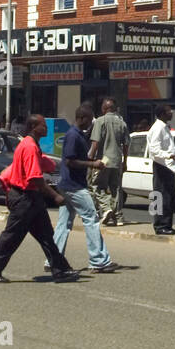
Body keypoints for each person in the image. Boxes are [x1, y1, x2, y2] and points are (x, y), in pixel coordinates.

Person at [0, 116, 78, 283]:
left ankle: (60, 269)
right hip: (23, 198)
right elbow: (35, 178)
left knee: (47, 236)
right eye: (43, 125)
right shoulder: (29, 146)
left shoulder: (32, 144)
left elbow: (41, 164)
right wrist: (55, 195)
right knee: (11, 237)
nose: (46, 128)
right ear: (34, 127)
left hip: (32, 198)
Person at [51, 104, 117, 273]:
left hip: (69, 184)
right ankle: (99, 260)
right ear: (82, 118)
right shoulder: (73, 135)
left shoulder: (79, 135)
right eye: (89, 119)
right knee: (91, 218)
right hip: (74, 186)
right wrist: (93, 164)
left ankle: (53, 258)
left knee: (64, 223)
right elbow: (70, 161)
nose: (91, 122)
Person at [87, 97, 129, 225]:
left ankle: (106, 209)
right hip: (117, 160)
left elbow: (95, 143)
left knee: (97, 186)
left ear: (104, 108)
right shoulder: (122, 123)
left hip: (103, 160)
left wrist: (89, 160)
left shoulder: (100, 121)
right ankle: (118, 216)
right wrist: (125, 161)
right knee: (116, 189)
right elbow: (126, 144)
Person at [147, 104, 175, 234]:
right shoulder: (157, 128)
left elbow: (166, 146)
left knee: (170, 196)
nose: (171, 112)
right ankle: (160, 226)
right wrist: (168, 155)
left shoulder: (165, 127)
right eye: (168, 111)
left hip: (169, 166)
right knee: (160, 196)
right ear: (161, 114)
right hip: (161, 165)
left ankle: (167, 225)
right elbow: (154, 149)